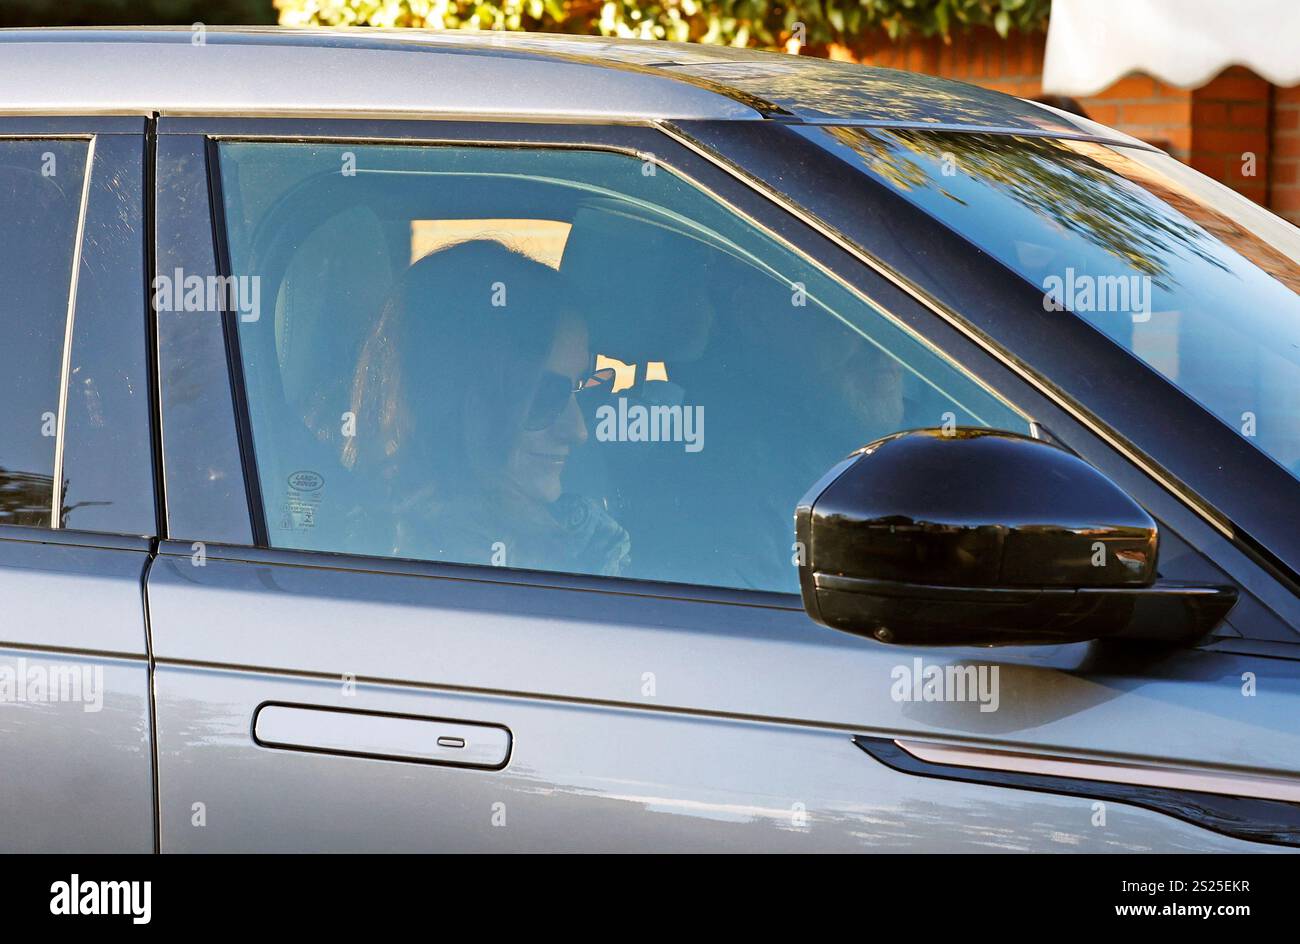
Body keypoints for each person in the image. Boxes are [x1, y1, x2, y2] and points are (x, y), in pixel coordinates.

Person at [344, 239, 630, 575]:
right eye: (541, 395)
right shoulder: (388, 565)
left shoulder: (584, 534)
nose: (579, 431)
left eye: (580, 386)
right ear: (449, 401)